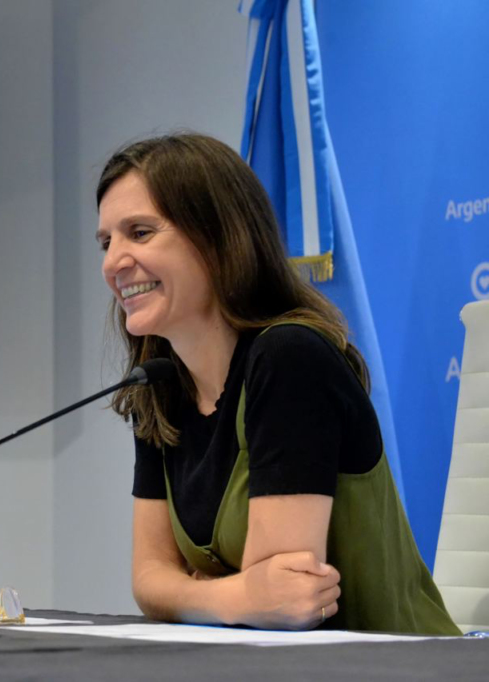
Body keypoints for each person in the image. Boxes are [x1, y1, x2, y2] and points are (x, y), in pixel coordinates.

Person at [97, 133, 459, 635]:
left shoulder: (289, 358)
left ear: (217, 236)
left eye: (139, 232)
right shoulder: (157, 387)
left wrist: (198, 592)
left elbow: (284, 605)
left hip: (396, 668)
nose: (113, 262)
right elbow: (150, 580)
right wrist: (233, 596)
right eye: (106, 241)